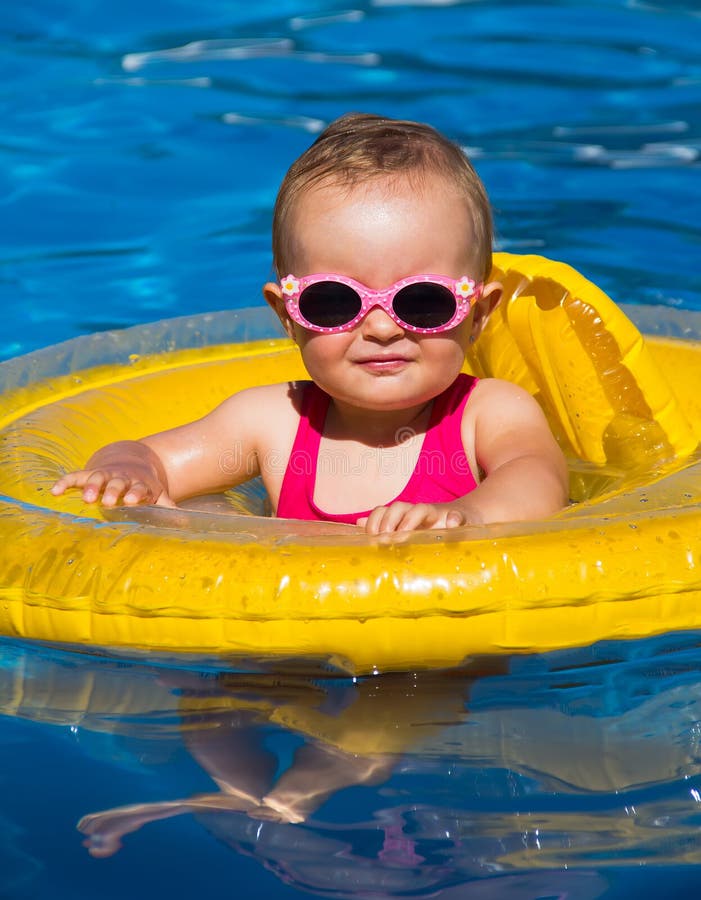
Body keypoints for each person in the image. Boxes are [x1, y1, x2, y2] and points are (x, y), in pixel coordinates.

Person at [51, 113, 568, 534]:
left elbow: (538, 477)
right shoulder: (269, 423)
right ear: (287, 316)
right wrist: (129, 474)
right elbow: (150, 456)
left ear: (477, 314)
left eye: (423, 302)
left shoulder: (488, 413)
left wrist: (470, 515)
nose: (383, 328)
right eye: (334, 302)